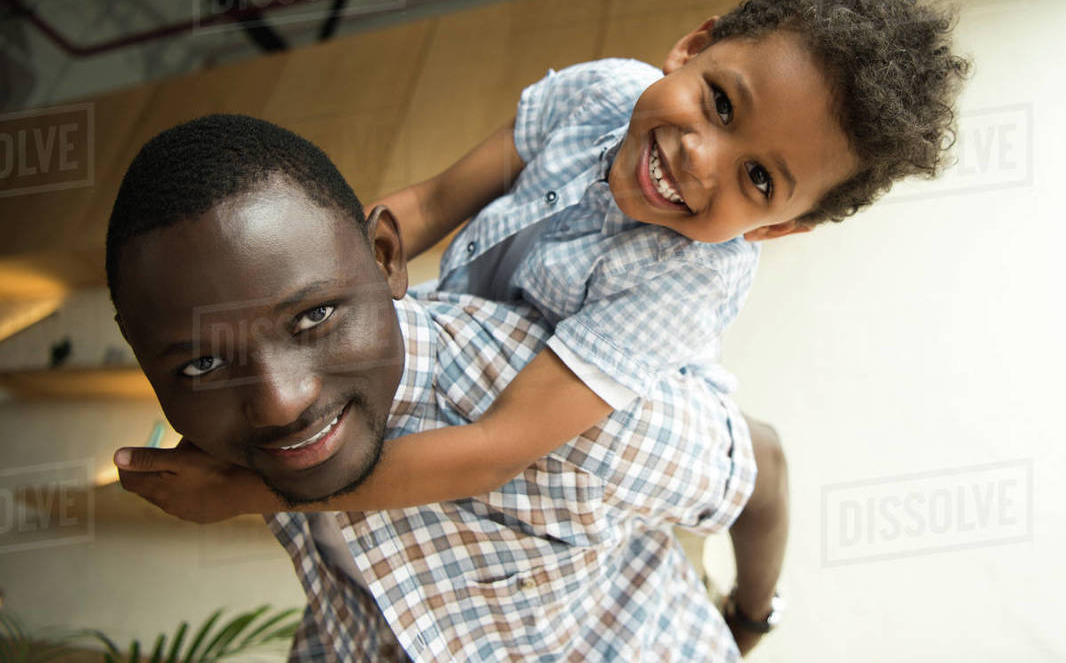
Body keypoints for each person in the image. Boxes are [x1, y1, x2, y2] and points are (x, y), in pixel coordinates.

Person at [115, 0, 970, 656]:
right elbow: (435, 199)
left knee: (691, 473)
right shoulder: (599, 91)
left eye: (757, 178)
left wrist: (246, 490)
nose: (701, 158)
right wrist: (332, 282)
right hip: (474, 330)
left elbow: (496, 447)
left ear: (779, 229)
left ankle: (713, 600)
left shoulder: (688, 278)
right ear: (692, 46)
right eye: (718, 102)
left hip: (587, 390)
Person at [106, 115, 768, 661]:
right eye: (201, 366)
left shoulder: (567, 401)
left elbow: (765, 469)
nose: (282, 401)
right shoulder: (262, 444)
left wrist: (751, 621)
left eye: (314, 317)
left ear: (387, 256)